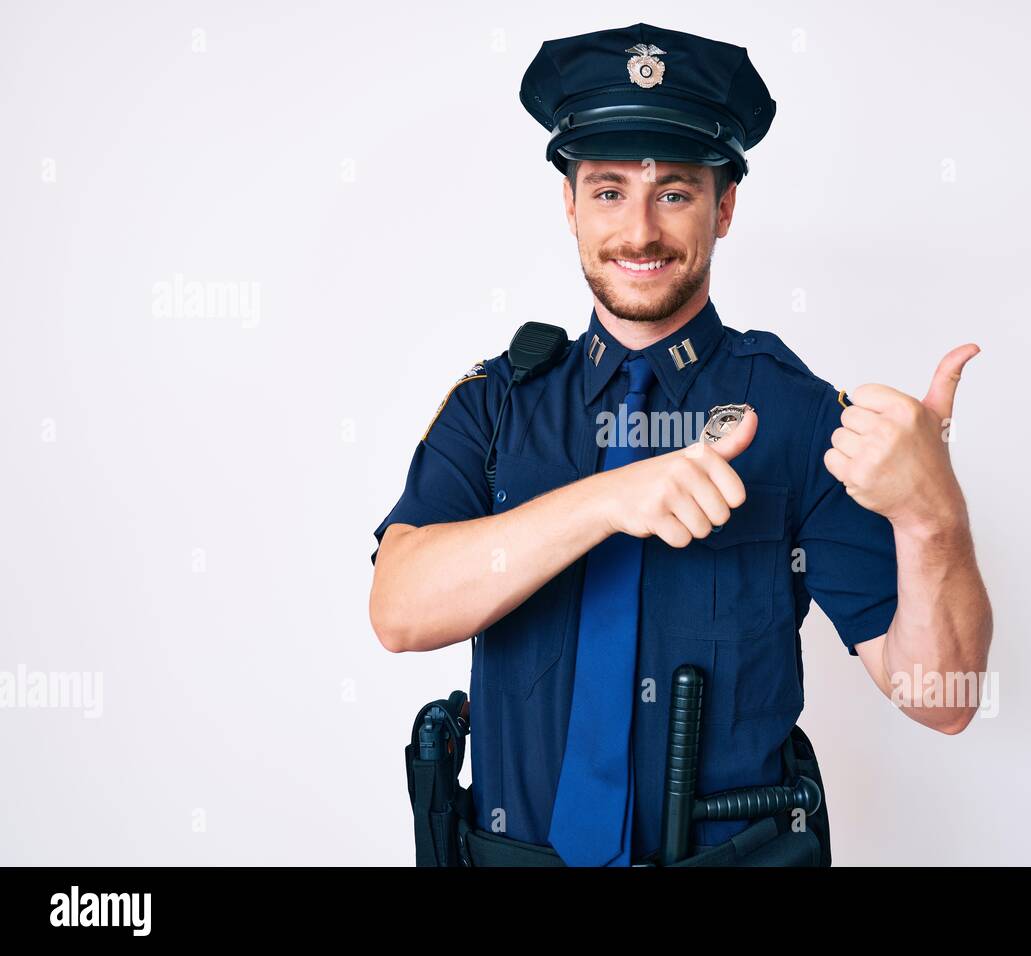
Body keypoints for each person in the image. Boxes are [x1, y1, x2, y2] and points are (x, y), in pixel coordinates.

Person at [369, 22, 993, 867]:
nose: (639, 233)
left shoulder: (801, 417)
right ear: (570, 204)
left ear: (723, 206)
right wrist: (606, 500)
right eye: (608, 191)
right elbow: (398, 612)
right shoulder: (494, 408)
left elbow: (938, 699)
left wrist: (934, 519)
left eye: (673, 193)